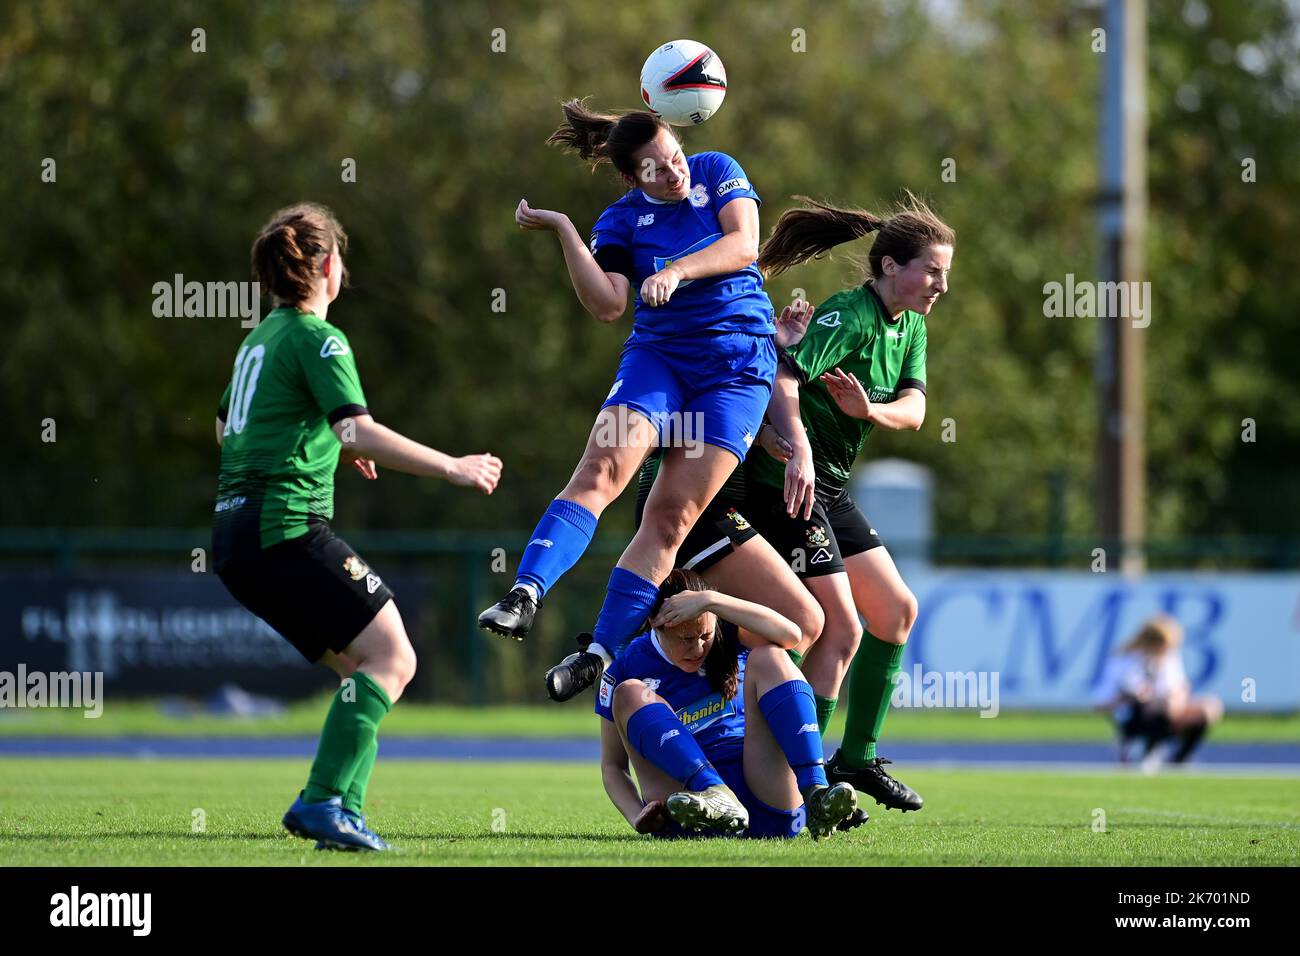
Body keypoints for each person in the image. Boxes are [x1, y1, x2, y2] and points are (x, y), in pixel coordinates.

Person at [213, 203, 502, 851]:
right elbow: (357, 426)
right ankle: (320, 802)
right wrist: (452, 466)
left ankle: (343, 812)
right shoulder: (322, 338)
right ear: (326, 265)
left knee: (364, 671)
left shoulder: (256, 341)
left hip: (235, 539)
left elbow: (227, 429)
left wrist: (328, 445)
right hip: (284, 525)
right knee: (394, 657)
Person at [478, 100, 777, 680]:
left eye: (674, 157)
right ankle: (524, 593)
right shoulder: (619, 222)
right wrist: (566, 231)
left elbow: (744, 245)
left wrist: (675, 271)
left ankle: (599, 653)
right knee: (601, 472)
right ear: (628, 178)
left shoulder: (717, 169)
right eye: (655, 170)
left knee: (670, 518)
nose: (673, 173)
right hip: (658, 362)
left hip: (736, 371)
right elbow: (610, 304)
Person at [742, 194, 955, 813]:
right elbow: (783, 373)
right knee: (839, 630)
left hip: (828, 488)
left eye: (945, 274)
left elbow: (914, 414)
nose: (941, 285)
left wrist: (869, 412)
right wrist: (799, 447)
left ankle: (854, 760)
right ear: (890, 266)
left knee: (895, 612)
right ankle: (794, 781)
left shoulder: (911, 326)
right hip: (786, 482)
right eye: (932, 271)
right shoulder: (849, 314)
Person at [597, 569, 858, 839]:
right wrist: (635, 816)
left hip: (767, 800)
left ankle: (815, 792)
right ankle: (713, 790)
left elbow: (791, 634)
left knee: (772, 656)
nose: (698, 649)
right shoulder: (626, 665)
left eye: (705, 636)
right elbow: (613, 766)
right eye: (686, 639)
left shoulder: (731, 635)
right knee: (628, 692)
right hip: (691, 810)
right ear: (655, 622)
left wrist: (711, 600)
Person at [1093, 614, 1224, 767]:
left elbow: (1177, 688)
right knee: (1153, 705)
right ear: (1153, 642)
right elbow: (1103, 702)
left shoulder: (1169, 657)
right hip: (1133, 716)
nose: (1169, 651)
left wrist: (1177, 704)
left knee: (1207, 709)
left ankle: (1178, 760)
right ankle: (1142, 747)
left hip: (1168, 713)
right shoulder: (1124, 659)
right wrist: (1129, 697)